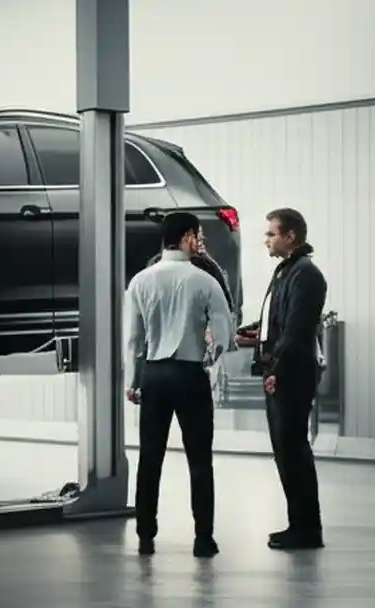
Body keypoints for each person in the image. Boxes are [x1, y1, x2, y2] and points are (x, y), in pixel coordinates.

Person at [124, 212, 234, 558]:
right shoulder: (205, 281)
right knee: (200, 461)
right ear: (187, 236)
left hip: (154, 376)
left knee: (150, 458)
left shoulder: (140, 281)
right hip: (190, 375)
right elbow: (223, 334)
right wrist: (210, 357)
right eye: (197, 236)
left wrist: (132, 381)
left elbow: (133, 340)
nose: (199, 242)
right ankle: (203, 538)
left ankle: (145, 535)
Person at [236, 207, 327, 550]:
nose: (266, 240)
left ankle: (307, 530)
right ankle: (298, 524)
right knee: (285, 450)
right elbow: (276, 320)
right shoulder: (287, 272)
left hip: (292, 373)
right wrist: (251, 334)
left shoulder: (306, 275)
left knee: (293, 450)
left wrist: (276, 370)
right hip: (282, 370)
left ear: (290, 236)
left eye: (271, 234)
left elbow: (296, 329)